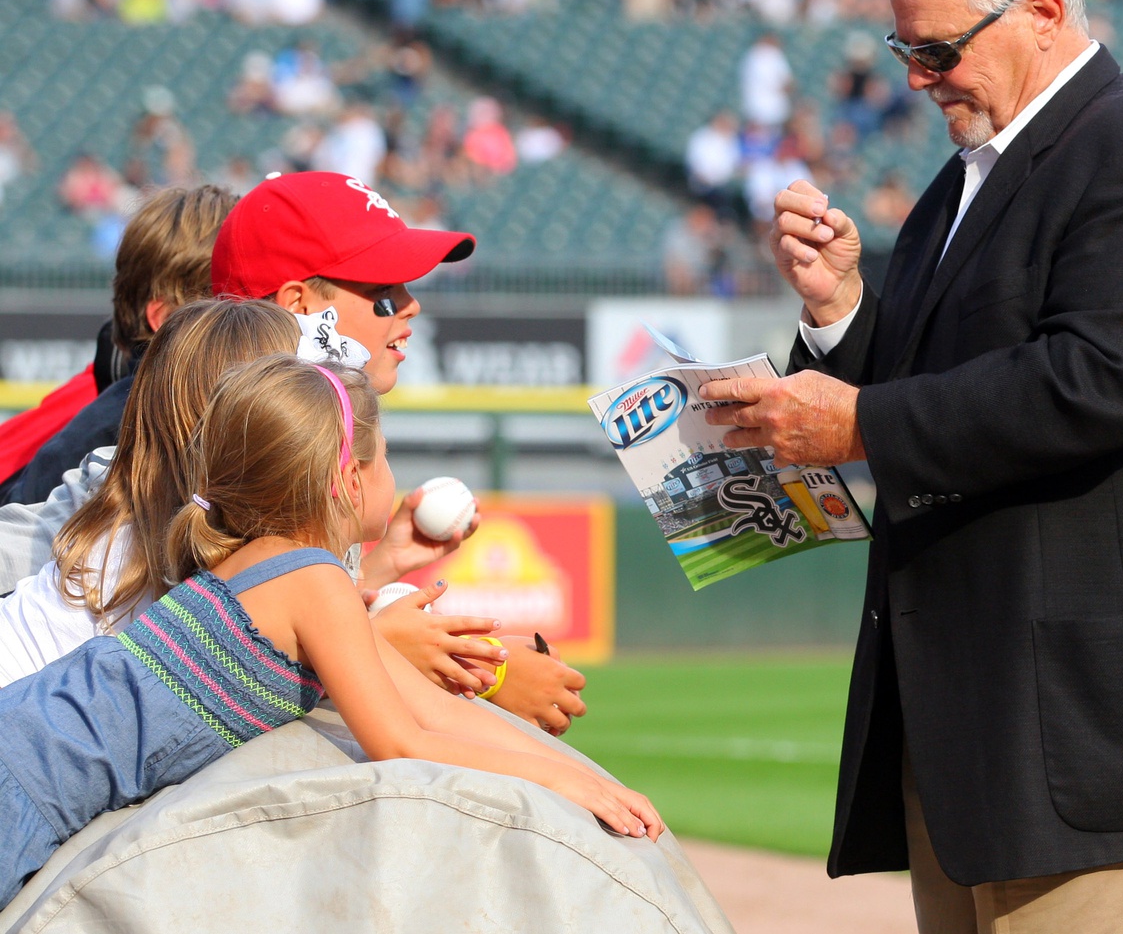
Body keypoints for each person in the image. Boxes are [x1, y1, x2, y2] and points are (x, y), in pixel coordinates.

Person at [698, 0, 1123, 933]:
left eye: (937, 50)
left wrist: (856, 423)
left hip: (1093, 742)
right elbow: (943, 381)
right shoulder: (969, 173)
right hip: (974, 720)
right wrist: (841, 314)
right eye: (905, 55)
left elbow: (1095, 382)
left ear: (1044, 13)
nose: (921, 78)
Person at [0, 354, 663, 907]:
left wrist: (581, 775)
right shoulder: (313, 579)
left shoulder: (292, 570)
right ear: (345, 479)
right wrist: (567, 785)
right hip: (23, 777)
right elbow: (403, 738)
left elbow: (429, 706)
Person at [0, 300, 586, 737]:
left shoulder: (181, 509)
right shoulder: (171, 530)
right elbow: (241, 667)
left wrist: (387, 573)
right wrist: (489, 671)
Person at [1, 184, 239, 506]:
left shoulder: (113, 396)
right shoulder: (112, 434)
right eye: (239, 304)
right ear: (167, 318)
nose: (261, 320)